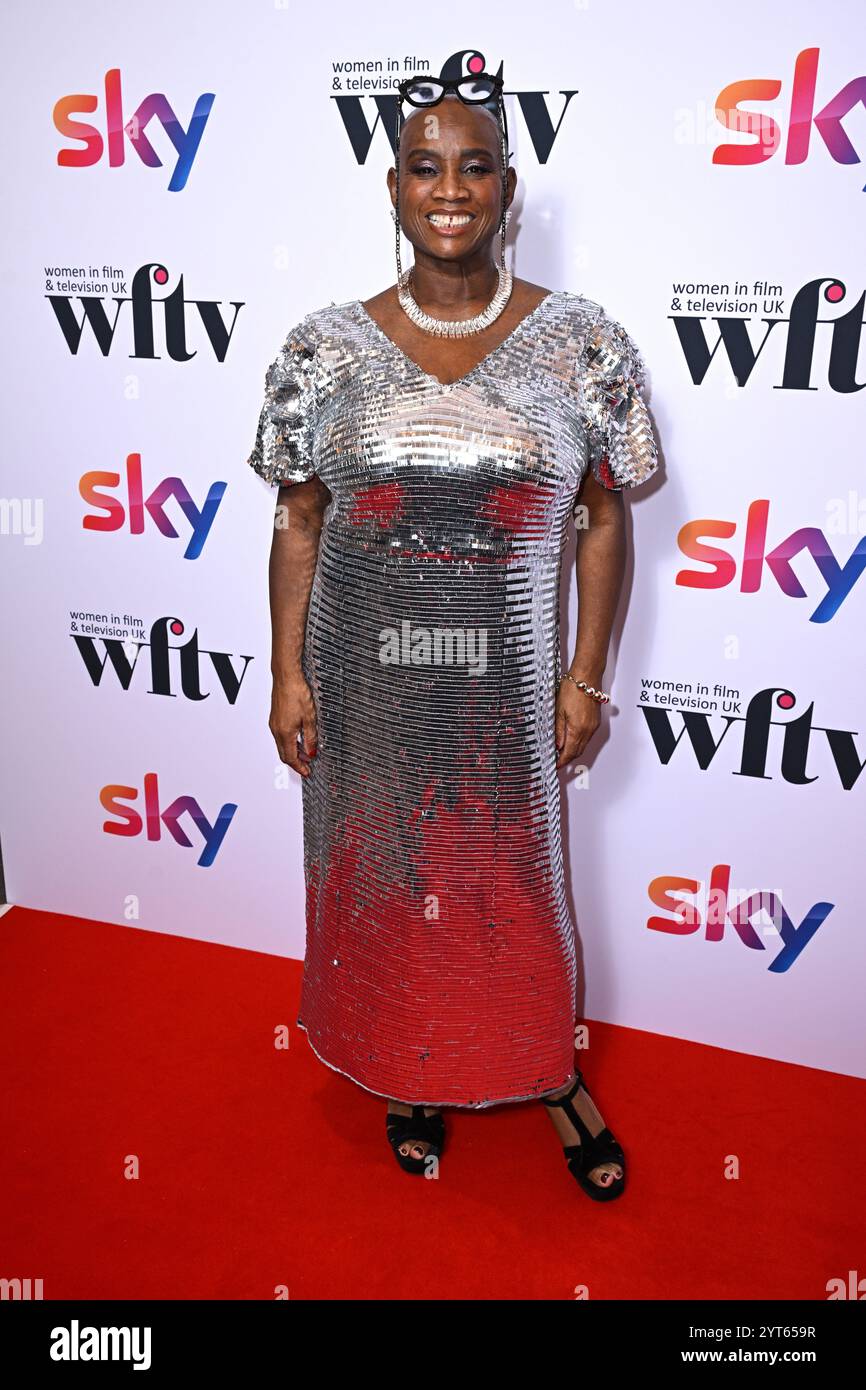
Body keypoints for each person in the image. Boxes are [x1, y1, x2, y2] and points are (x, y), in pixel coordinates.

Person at [246, 71, 659, 1202]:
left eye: (473, 165)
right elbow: (297, 520)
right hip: (362, 677)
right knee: (380, 877)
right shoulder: (323, 348)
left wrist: (587, 676)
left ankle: (547, 1072)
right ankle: (406, 1061)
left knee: (513, 887)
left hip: (508, 688)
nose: (449, 187)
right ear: (392, 186)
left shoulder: (582, 342)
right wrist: (286, 671)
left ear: (507, 189)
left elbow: (605, 514)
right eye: (425, 165)